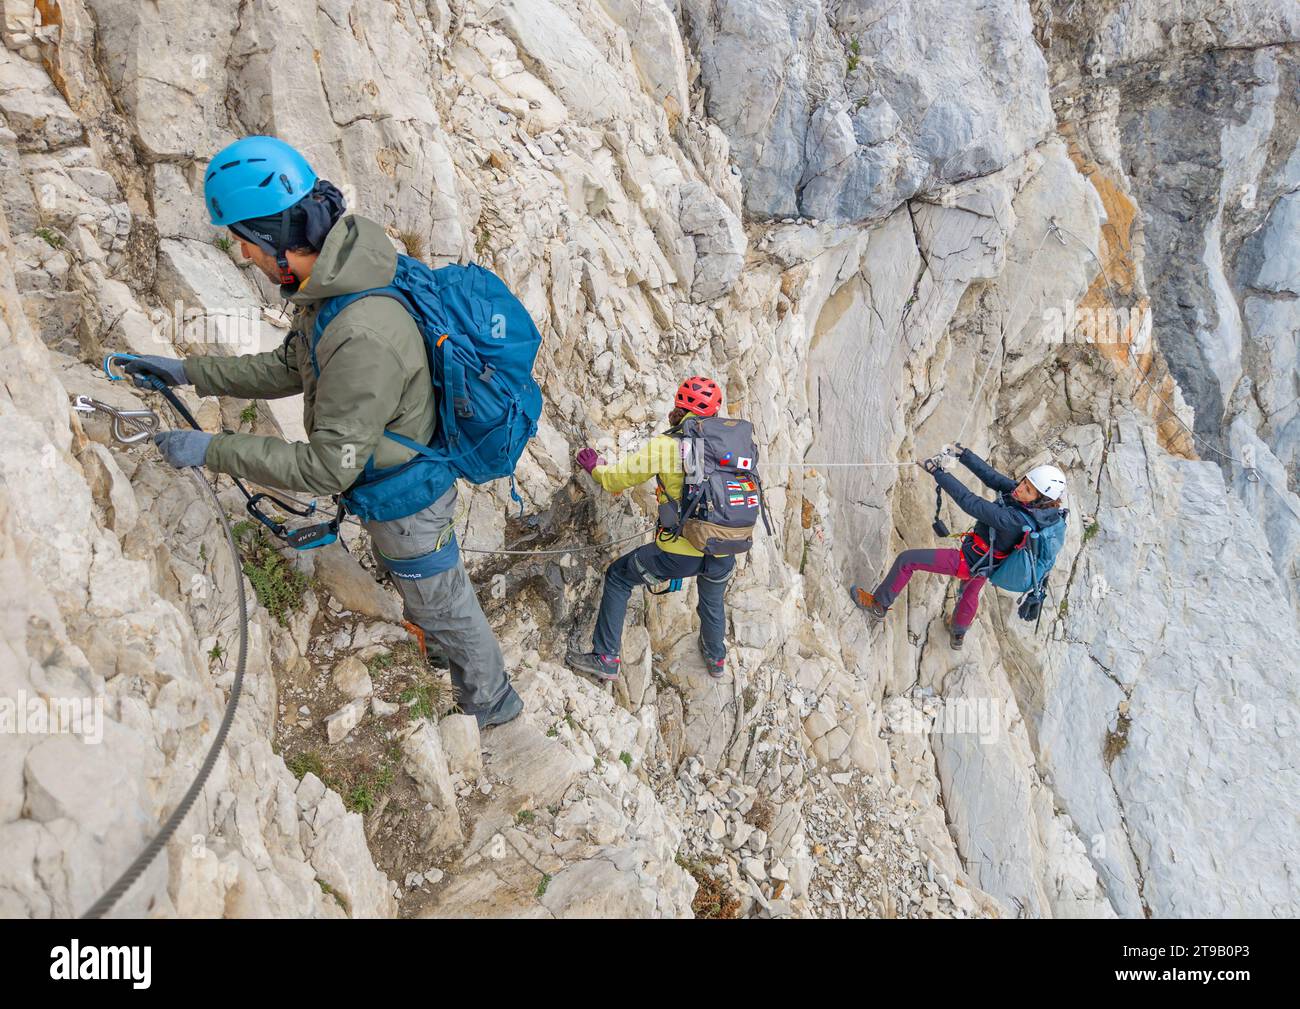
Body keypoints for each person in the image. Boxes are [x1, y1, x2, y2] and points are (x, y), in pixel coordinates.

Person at [123, 136, 522, 729]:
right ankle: (438, 646)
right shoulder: (339, 283)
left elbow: (328, 467)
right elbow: (291, 367)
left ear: (281, 238)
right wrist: (189, 373)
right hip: (394, 482)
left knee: (445, 601)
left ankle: (495, 710)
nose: (240, 254)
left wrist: (212, 449)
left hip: (407, 500)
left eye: (244, 240)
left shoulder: (361, 332)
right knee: (428, 593)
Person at [567, 377, 737, 681]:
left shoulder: (667, 445)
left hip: (677, 555)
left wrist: (595, 467)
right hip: (724, 547)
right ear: (715, 412)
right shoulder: (731, 444)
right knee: (712, 598)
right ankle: (716, 659)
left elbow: (616, 480)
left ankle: (606, 657)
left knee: (619, 576)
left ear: (678, 407)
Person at [850, 447, 1067, 649]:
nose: (1020, 488)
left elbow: (970, 502)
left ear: (1040, 500)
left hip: (970, 561)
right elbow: (993, 478)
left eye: (1027, 489)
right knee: (969, 593)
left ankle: (878, 605)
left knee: (907, 561)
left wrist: (937, 472)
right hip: (990, 564)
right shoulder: (1035, 508)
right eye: (1023, 482)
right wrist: (964, 454)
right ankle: (958, 633)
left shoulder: (1014, 519)